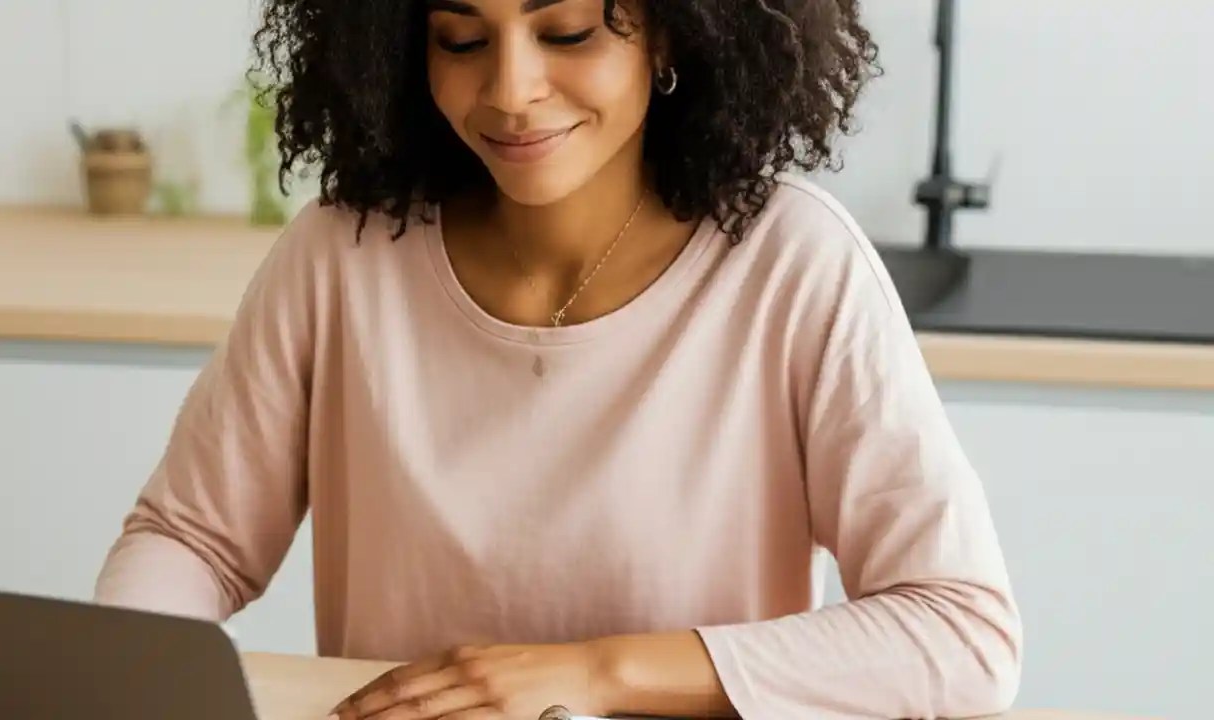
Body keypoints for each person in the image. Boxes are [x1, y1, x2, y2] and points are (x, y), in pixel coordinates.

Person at [94, 0, 1023, 718]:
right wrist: (126, 683)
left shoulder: (792, 266)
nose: (510, 89)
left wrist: (594, 673)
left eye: (569, 31)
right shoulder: (341, 256)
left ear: (669, 32)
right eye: (461, 39)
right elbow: (192, 540)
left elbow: (960, 631)